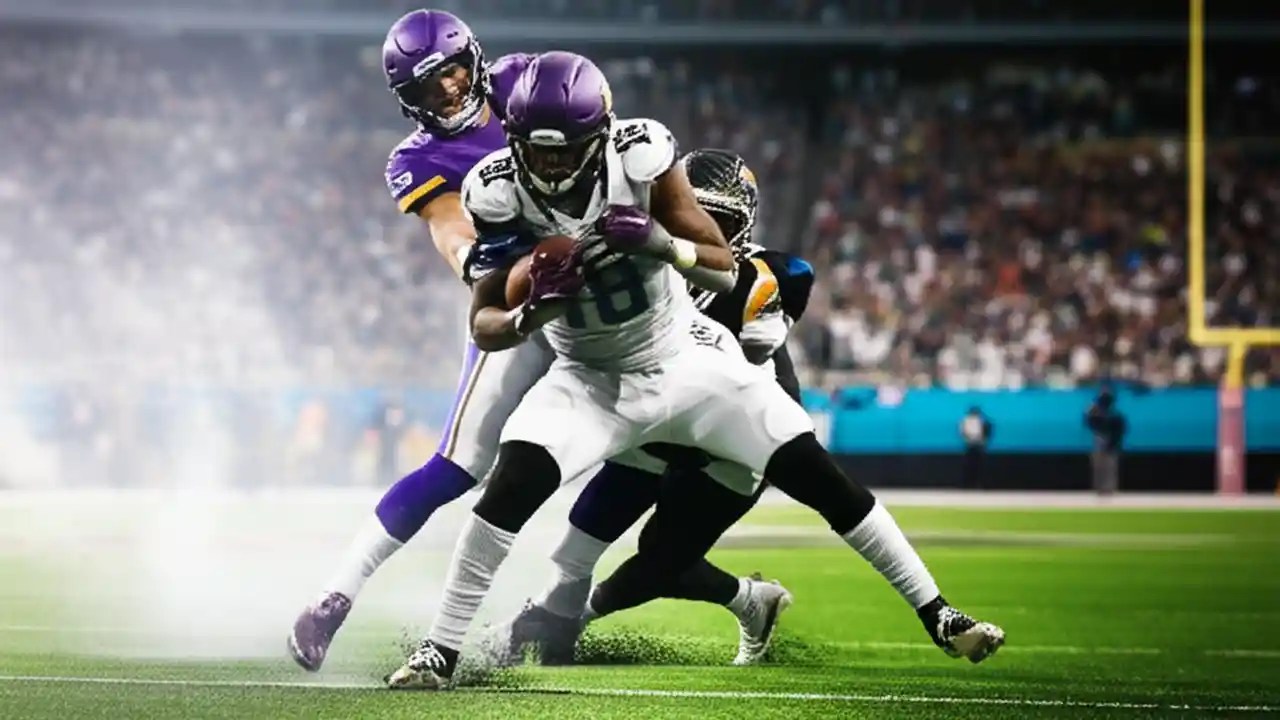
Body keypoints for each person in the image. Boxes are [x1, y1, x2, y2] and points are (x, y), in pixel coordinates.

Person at [386, 52, 1004, 690]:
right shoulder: (492, 188)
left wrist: (660, 243)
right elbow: (484, 321)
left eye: (566, 149)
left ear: (599, 133)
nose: (551, 165)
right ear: (512, 141)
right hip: (589, 377)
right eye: (535, 151)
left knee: (812, 469)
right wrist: (530, 312)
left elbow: (723, 266)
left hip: (684, 357)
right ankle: (441, 649)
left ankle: (939, 612)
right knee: (509, 488)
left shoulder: (642, 155)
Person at [289, 11, 737, 672]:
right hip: (536, 304)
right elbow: (450, 232)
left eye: (451, 71)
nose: (445, 89)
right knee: (456, 466)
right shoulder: (415, 158)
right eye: (424, 85)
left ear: (473, 58)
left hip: (617, 296)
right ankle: (334, 597)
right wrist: (494, 269)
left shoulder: (528, 83)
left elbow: (605, 133)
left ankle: (722, 595)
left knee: (687, 437)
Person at [498, 148, 813, 667]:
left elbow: (751, 346)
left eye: (720, 219)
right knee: (578, 543)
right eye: (696, 214)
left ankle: (553, 624)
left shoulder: (766, 277)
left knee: (663, 559)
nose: (704, 228)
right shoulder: (634, 260)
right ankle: (751, 602)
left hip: (727, 440)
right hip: (655, 421)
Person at [1085, 388, 1126, 495]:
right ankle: (1101, 488)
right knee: (1100, 466)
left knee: (1109, 467)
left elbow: (1120, 431)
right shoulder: (1097, 414)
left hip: (1110, 442)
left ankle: (1108, 488)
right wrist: (1090, 410)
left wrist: (1114, 443)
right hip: (1101, 441)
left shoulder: (1115, 415)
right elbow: (1090, 422)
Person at [959, 406, 993, 490]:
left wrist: (983, 441)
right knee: (969, 466)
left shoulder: (983, 422)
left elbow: (987, 431)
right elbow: (963, 432)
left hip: (979, 446)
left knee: (979, 467)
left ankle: (979, 484)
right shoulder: (965, 421)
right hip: (970, 446)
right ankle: (968, 484)